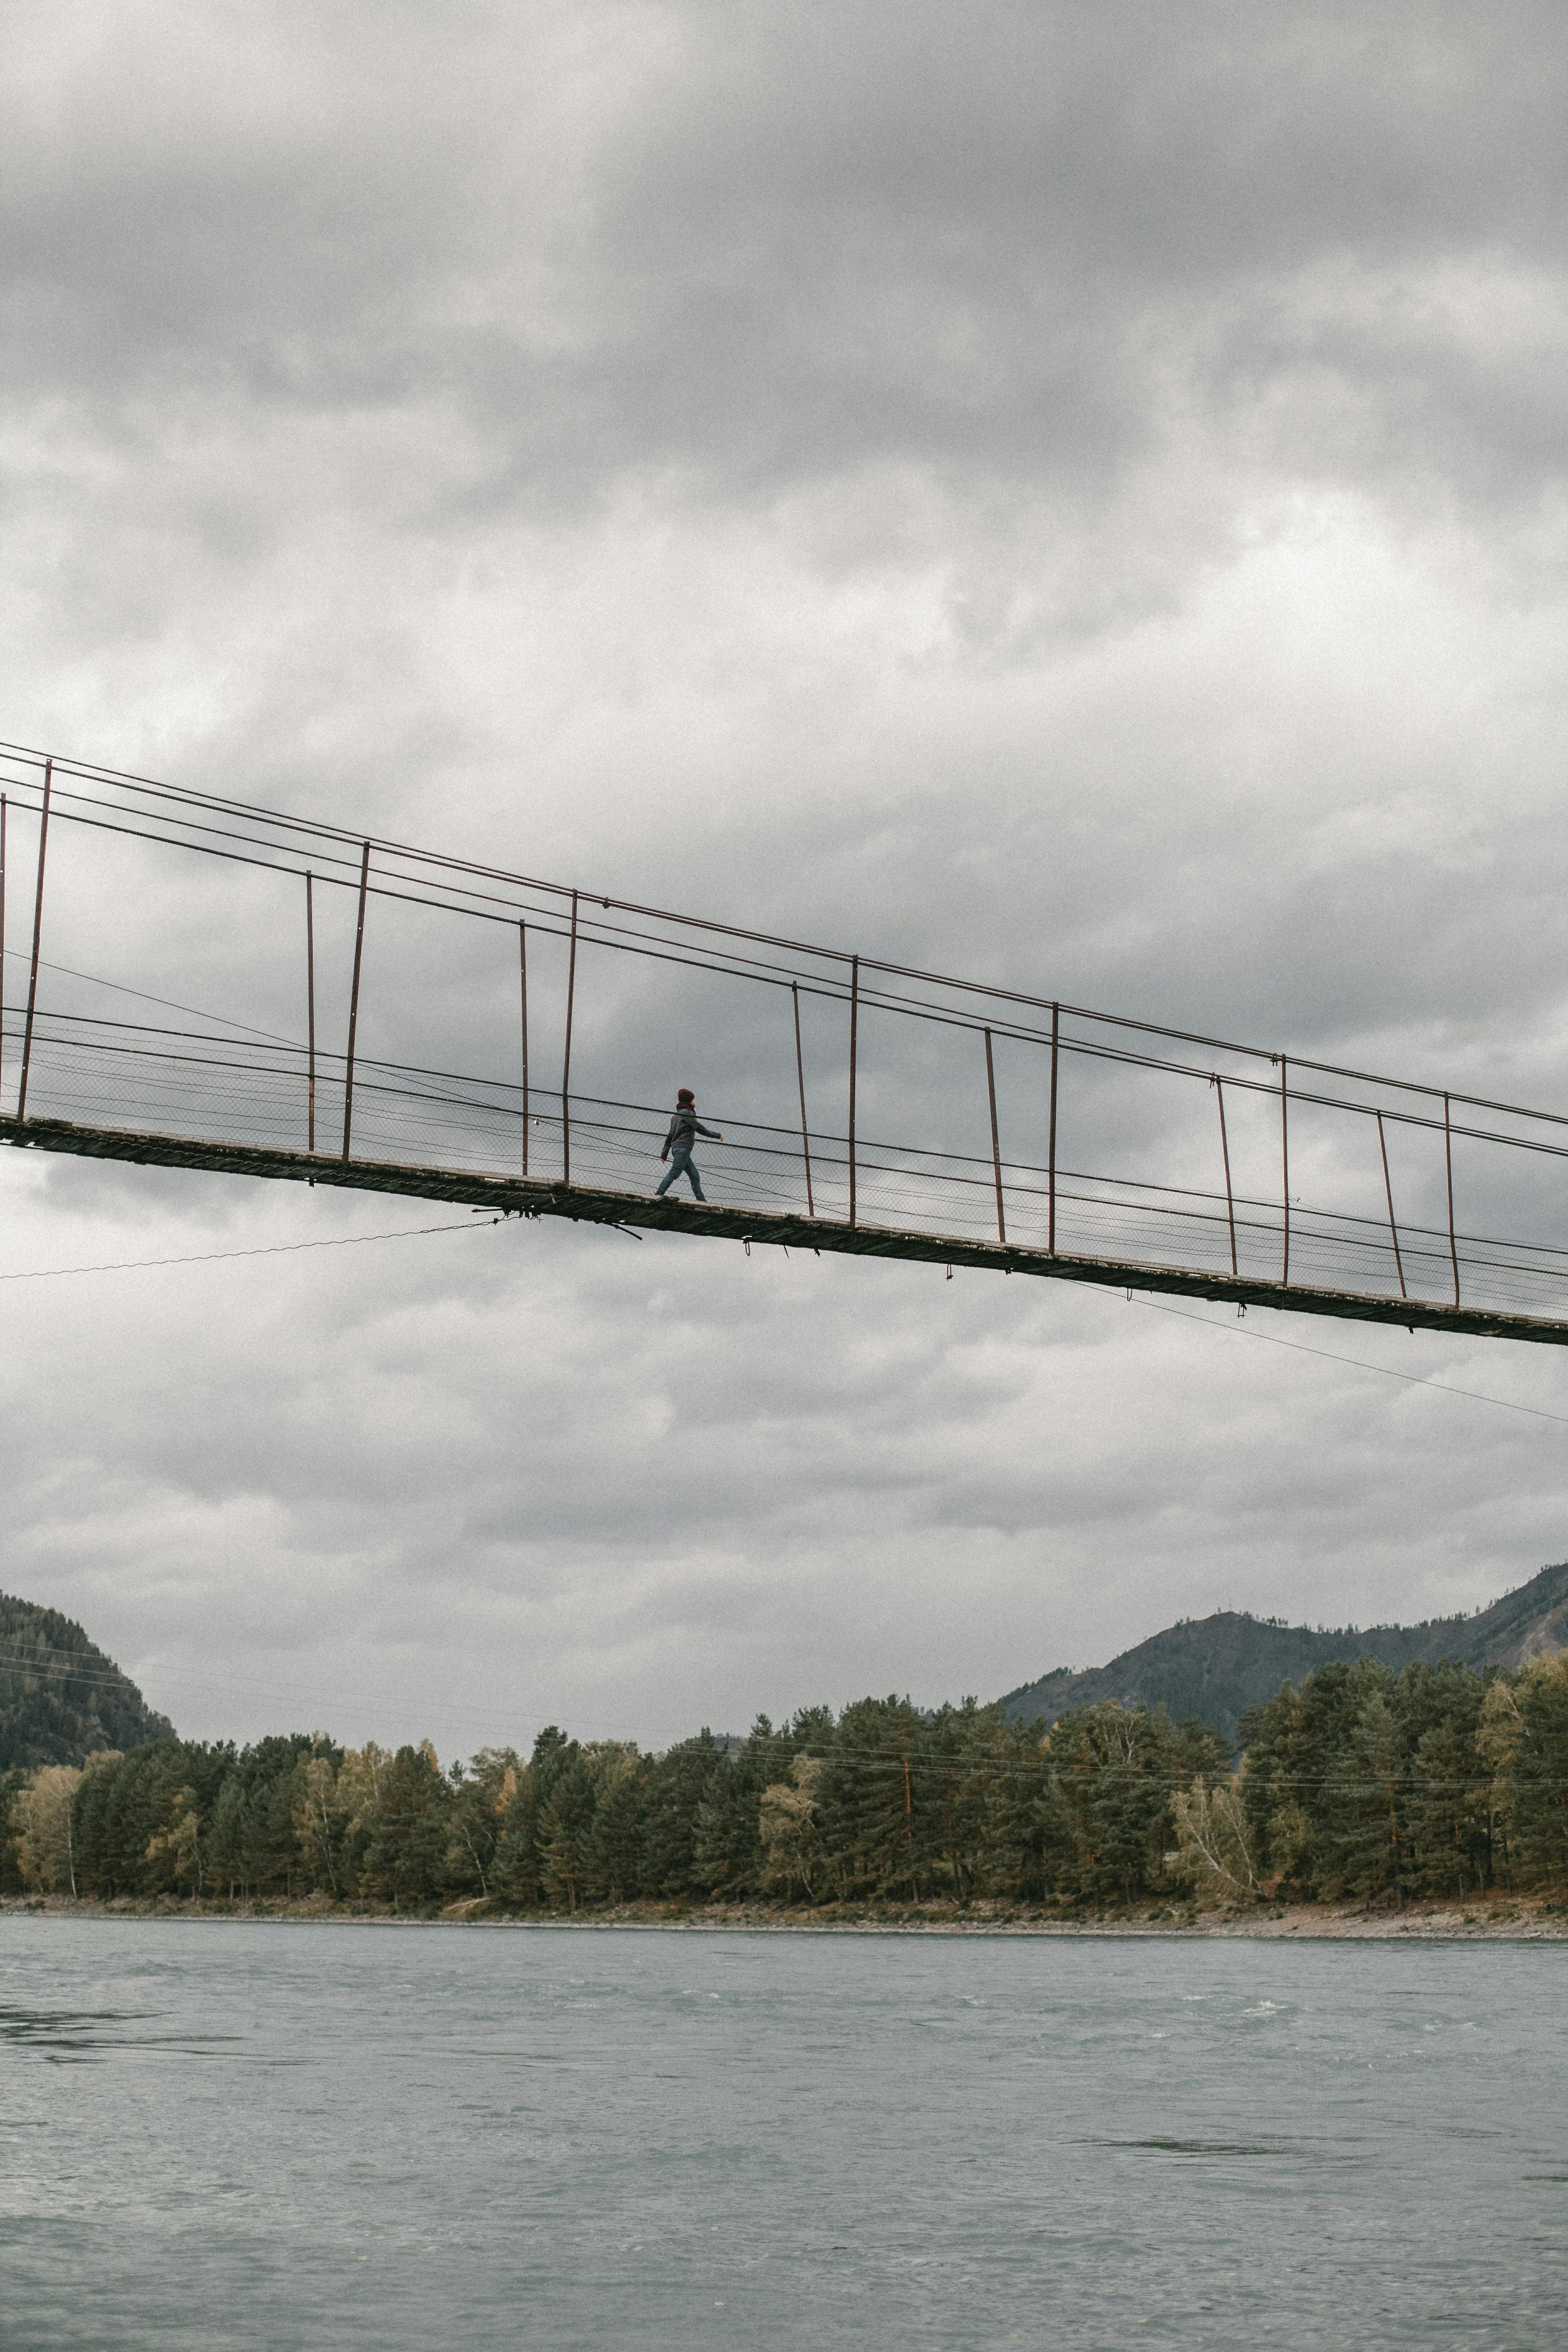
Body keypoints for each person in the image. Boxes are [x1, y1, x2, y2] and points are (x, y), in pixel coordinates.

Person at [656, 1087, 723, 1199]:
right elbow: (699, 1128)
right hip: (683, 1149)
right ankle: (659, 1194)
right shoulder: (688, 1113)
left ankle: (702, 1200)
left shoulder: (675, 1116)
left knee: (694, 1175)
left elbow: (670, 1137)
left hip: (678, 1149)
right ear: (689, 1101)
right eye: (693, 1099)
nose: (695, 1102)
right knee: (675, 1172)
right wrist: (717, 1135)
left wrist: (664, 1155)